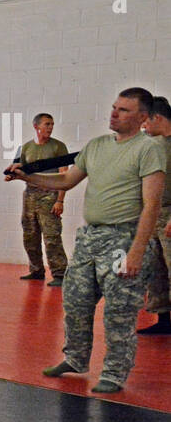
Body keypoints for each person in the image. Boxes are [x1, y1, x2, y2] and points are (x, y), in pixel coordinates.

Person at [9, 88, 166, 393]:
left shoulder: (149, 149)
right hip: (90, 239)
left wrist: (135, 252)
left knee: (119, 311)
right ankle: (75, 359)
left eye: (124, 110)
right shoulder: (96, 146)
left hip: (125, 239)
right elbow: (67, 180)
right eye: (114, 107)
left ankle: (114, 372)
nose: (114, 113)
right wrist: (27, 177)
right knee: (76, 301)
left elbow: (152, 205)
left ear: (143, 117)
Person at [15, 112, 69, 287]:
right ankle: (36, 270)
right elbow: (21, 170)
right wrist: (12, 174)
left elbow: (64, 175)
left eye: (52, 124)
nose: (50, 127)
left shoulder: (58, 147)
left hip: (50, 194)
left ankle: (60, 273)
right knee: (30, 235)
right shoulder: (26, 148)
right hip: (30, 196)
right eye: (47, 124)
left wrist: (60, 200)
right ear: (36, 126)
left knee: (52, 236)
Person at [137, 96, 171, 334]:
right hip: (152, 214)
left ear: (157, 117)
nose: (144, 127)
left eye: (146, 122)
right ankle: (163, 320)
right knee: (154, 269)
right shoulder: (154, 144)